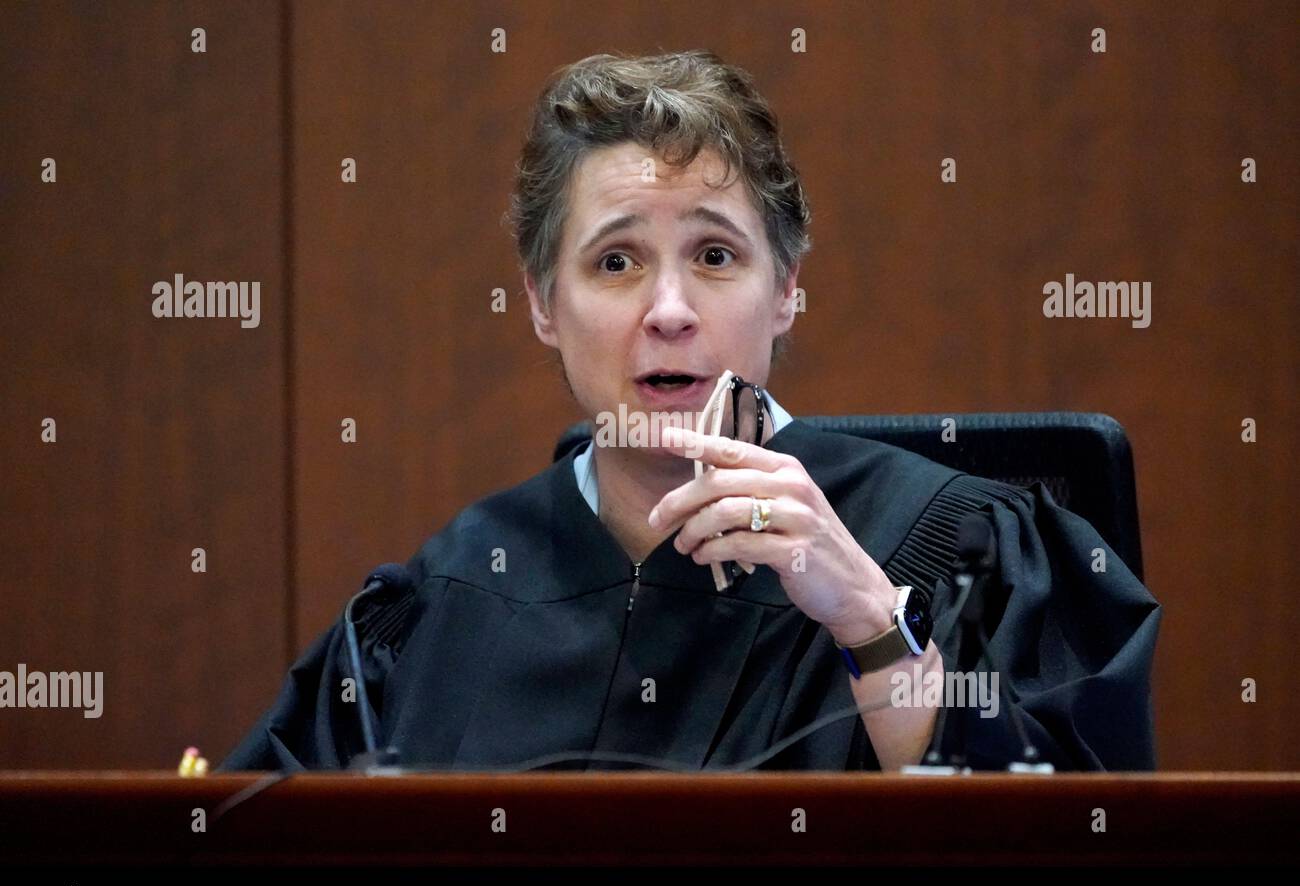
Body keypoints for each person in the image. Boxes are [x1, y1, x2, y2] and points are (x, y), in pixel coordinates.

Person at [220, 50, 1159, 774]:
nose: (668, 311)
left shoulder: (957, 550)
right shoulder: (444, 600)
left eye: (715, 257)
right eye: (615, 262)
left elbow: (1095, 867)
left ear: (786, 289)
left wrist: (873, 624)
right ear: (543, 305)